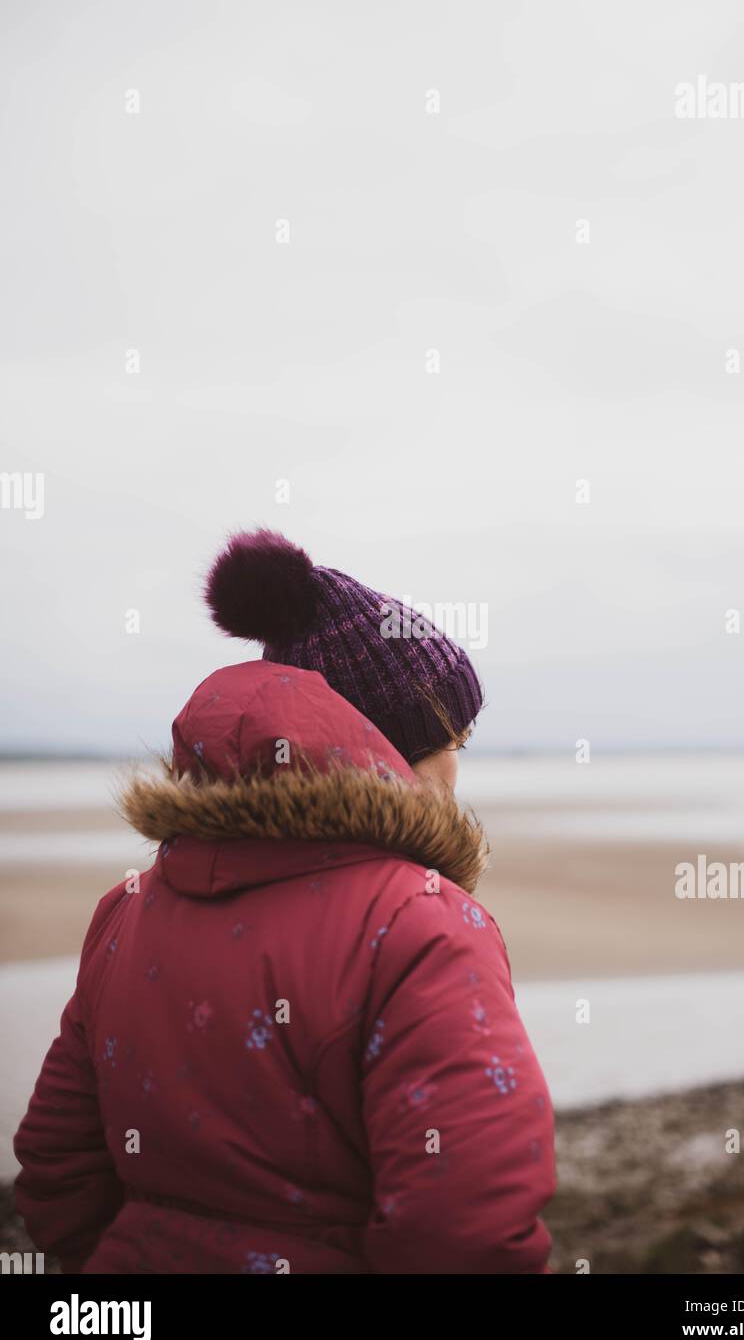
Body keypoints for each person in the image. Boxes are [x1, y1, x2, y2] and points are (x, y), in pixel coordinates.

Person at [14, 530, 556, 1274]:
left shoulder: (126, 911)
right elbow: (464, 1227)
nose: (459, 768)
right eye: (453, 740)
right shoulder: (421, 923)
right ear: (392, 751)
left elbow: (55, 1165)